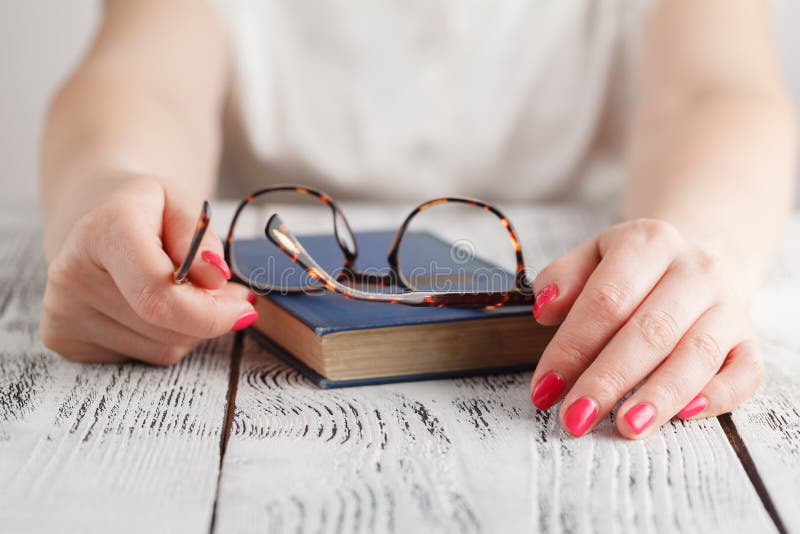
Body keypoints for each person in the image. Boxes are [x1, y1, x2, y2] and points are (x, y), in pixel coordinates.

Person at [39, 0, 796, 440]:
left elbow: (716, 91)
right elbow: (143, 78)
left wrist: (702, 241)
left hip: (589, 264)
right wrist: (107, 194)